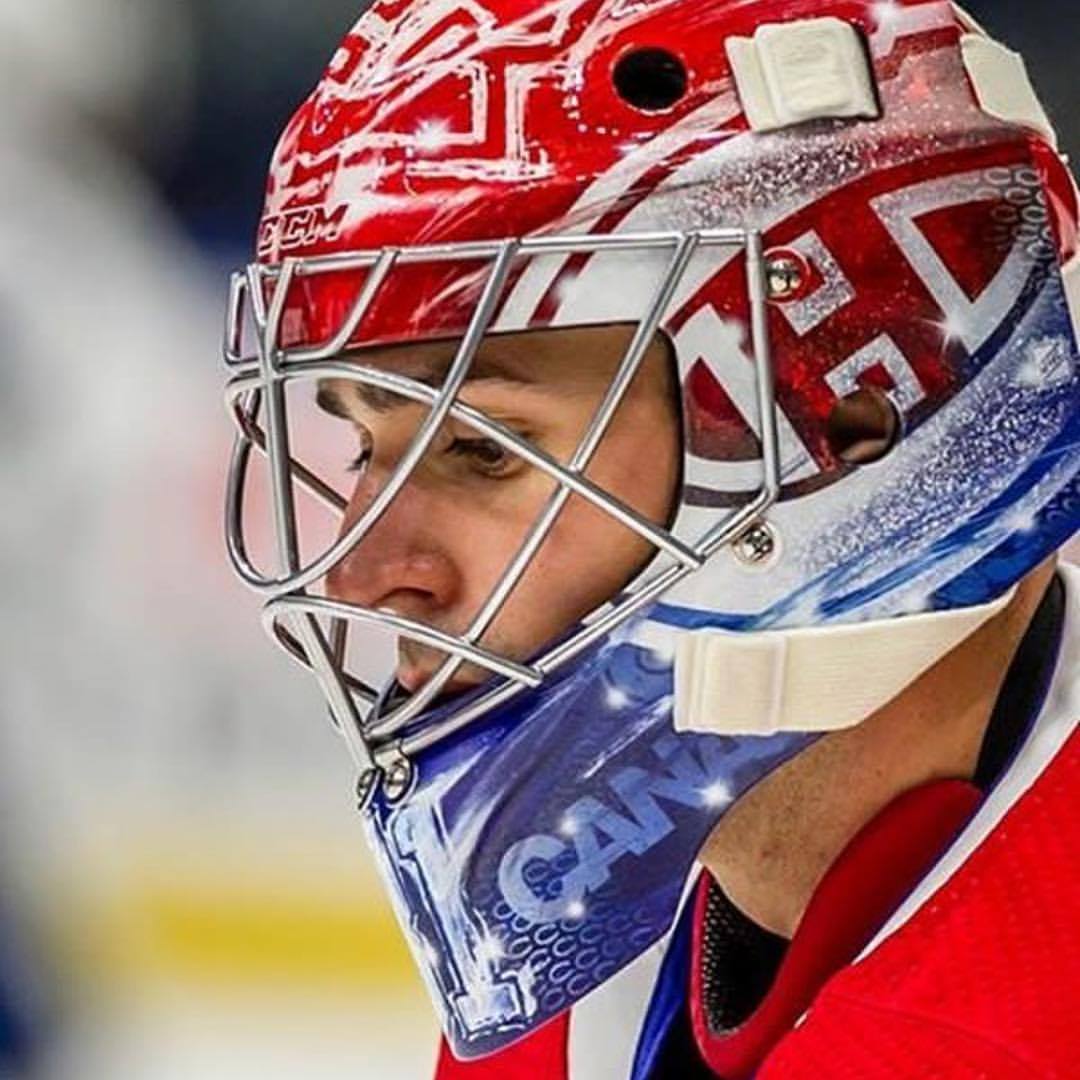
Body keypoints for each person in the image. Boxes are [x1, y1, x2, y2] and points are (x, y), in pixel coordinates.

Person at [223, 0, 1080, 1076]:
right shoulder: (563, 981)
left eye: (485, 449)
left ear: (859, 418)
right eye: (364, 450)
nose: (367, 574)